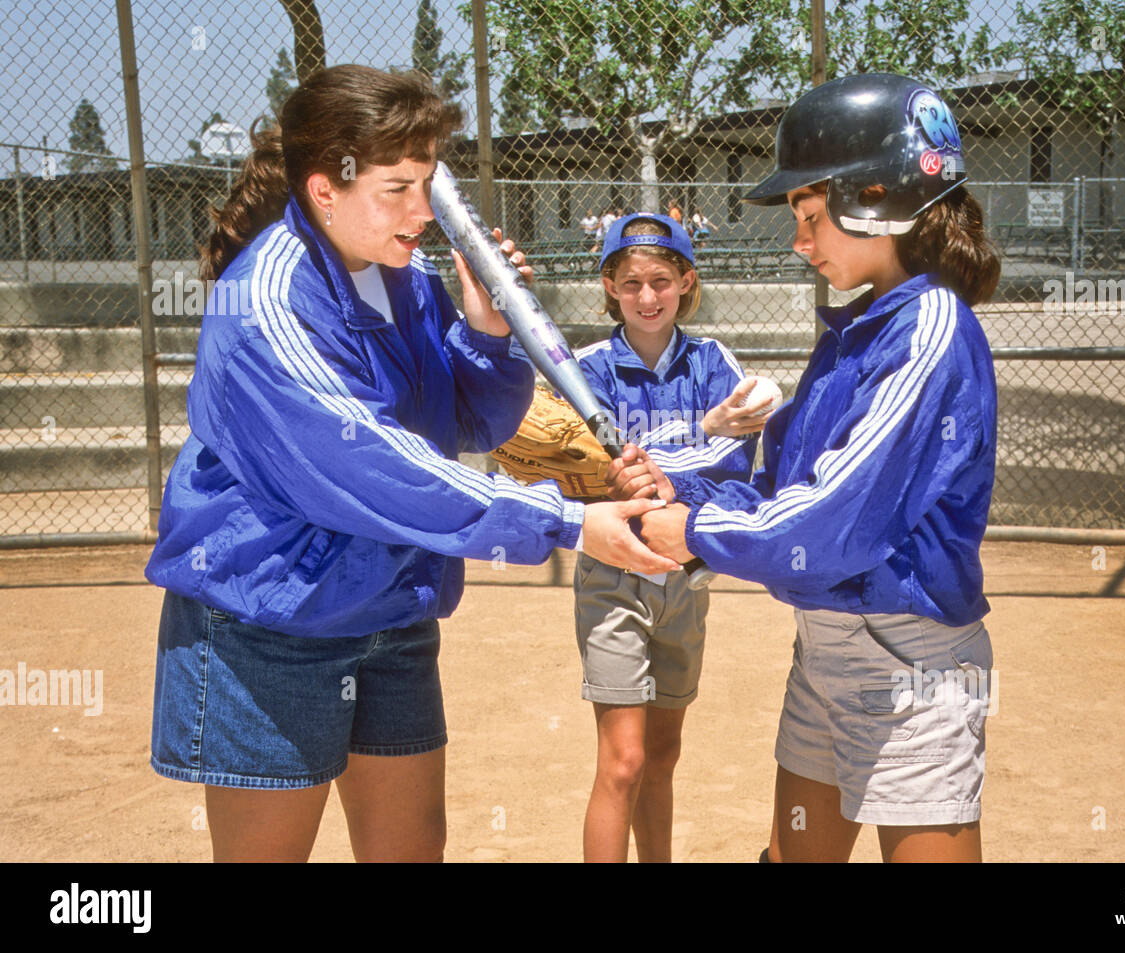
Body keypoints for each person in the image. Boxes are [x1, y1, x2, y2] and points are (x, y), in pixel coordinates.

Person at [144, 65, 677, 863]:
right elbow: (376, 464)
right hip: (272, 625)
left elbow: (469, 420)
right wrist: (564, 520)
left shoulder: (403, 278)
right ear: (325, 189)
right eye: (398, 187)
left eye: (428, 182)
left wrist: (488, 331)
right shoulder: (264, 305)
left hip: (390, 613)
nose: (423, 211)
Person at [615, 74, 1001, 863]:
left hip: (910, 664)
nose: (801, 241)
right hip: (826, 648)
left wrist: (693, 529)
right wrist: (675, 483)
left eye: (812, 216)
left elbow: (835, 520)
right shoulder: (860, 329)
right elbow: (787, 485)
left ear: (880, 199)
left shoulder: (928, 329)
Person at [573, 213, 775, 862]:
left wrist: (668, 485)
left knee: (662, 755)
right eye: (630, 283)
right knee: (623, 759)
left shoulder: (714, 361)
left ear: (687, 281)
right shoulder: (588, 369)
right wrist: (692, 446)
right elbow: (602, 476)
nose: (647, 296)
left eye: (662, 280)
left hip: (686, 579)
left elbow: (734, 471)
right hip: (614, 581)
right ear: (609, 286)